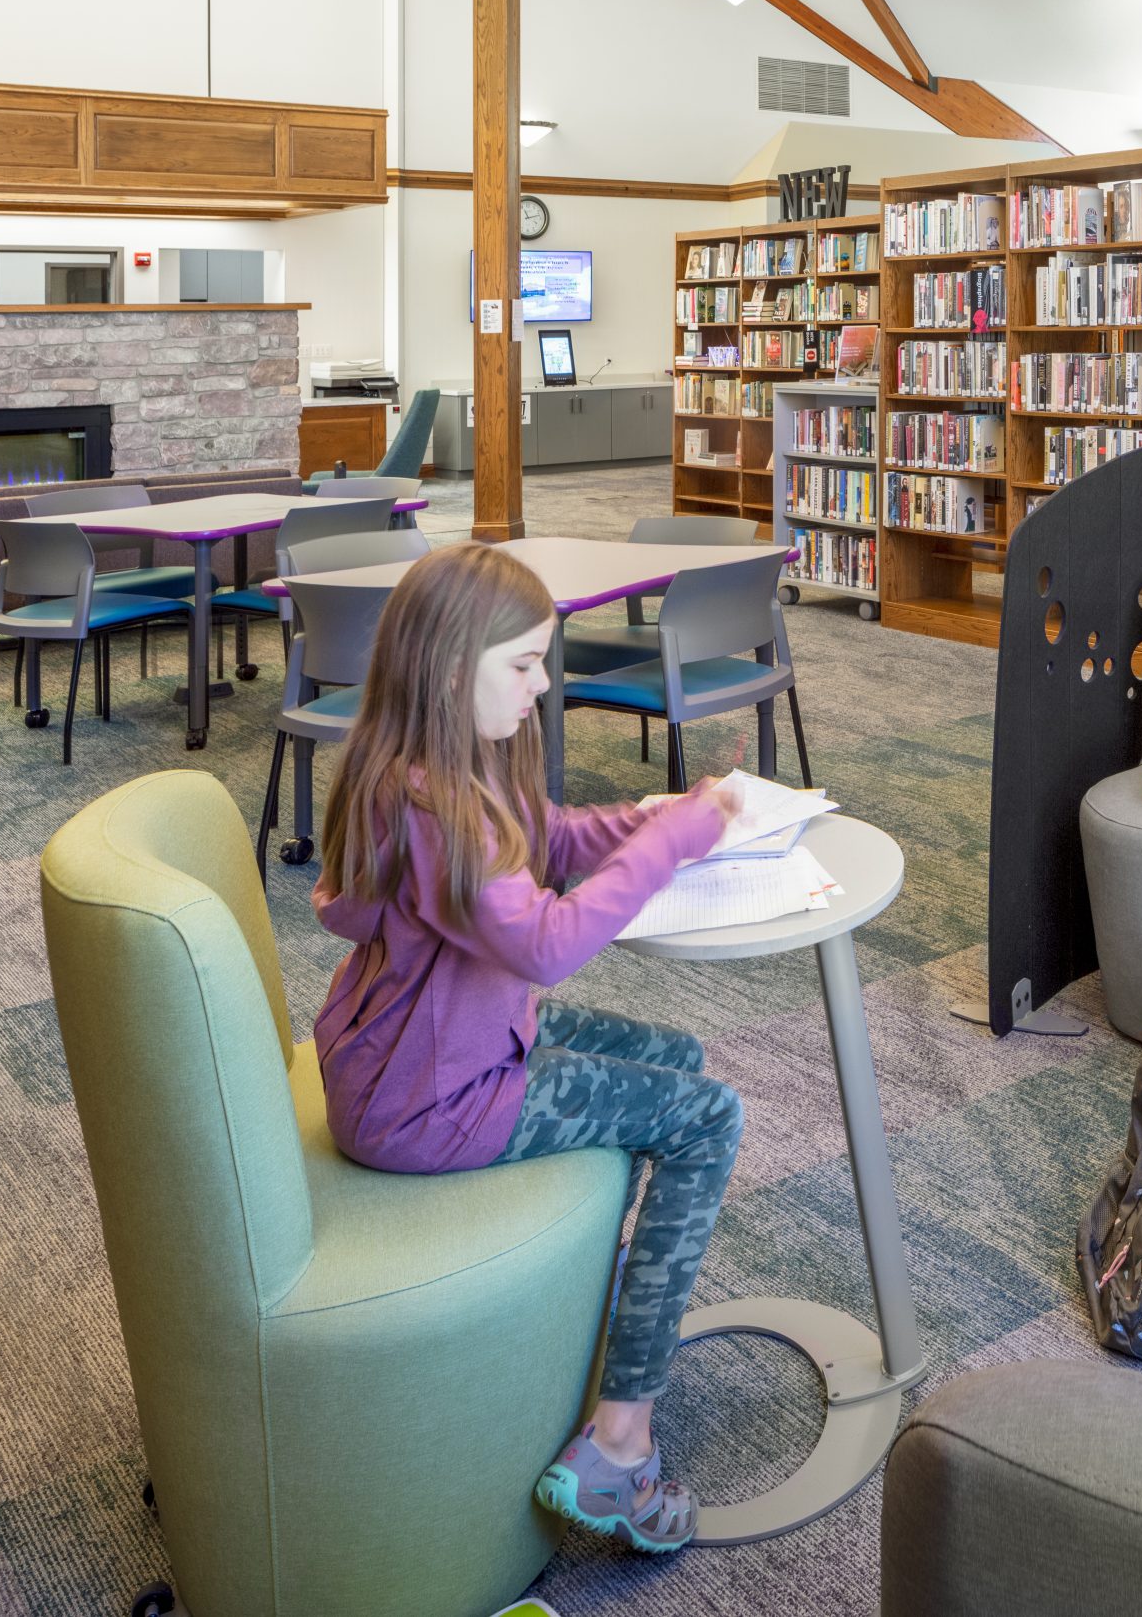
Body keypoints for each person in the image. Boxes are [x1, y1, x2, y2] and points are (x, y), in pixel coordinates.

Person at [311, 542, 744, 1556]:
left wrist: (636, 819)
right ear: (450, 670)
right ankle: (620, 1448)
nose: (543, 683)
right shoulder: (433, 806)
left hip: (438, 1043)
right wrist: (671, 842)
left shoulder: (447, 764)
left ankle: (594, 1296)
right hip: (428, 1098)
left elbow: (543, 838)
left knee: (677, 1057)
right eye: (523, 663)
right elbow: (547, 943)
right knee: (709, 1118)